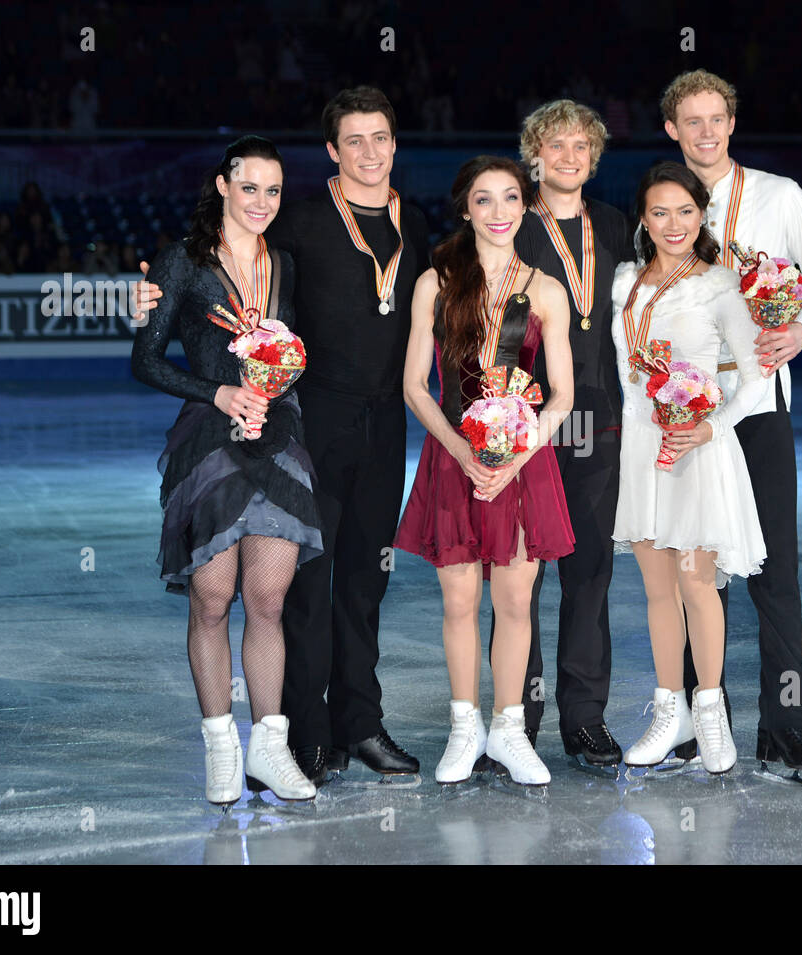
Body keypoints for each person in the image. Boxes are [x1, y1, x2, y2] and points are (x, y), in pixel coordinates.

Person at [133, 87, 430, 786]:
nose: (367, 152)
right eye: (351, 140)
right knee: (288, 589)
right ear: (331, 151)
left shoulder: (410, 223)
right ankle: (305, 734)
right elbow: (205, 266)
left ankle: (358, 723)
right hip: (301, 421)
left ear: (394, 143)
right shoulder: (296, 221)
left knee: (359, 582)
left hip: (376, 423)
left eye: (378, 138)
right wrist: (143, 290)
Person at [661, 69, 802, 782]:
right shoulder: (665, 206)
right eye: (692, 121)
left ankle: (787, 729)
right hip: (687, 409)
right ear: (672, 130)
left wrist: (800, 329)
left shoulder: (778, 195)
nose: (706, 132)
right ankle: (693, 723)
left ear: (731, 124)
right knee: (693, 571)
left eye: (717, 119)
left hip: (759, 404)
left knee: (775, 573)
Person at [130, 135, 323, 804]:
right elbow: (145, 359)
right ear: (222, 186)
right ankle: (220, 743)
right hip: (209, 437)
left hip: (275, 434)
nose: (261, 201)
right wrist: (217, 393)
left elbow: (290, 351)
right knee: (213, 598)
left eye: (272, 189)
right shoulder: (183, 262)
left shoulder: (286, 264)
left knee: (268, 598)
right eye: (248, 187)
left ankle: (270, 747)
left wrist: (271, 397)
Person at [394, 156, 575, 786]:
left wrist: (515, 456)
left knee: (515, 599)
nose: (498, 213)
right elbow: (416, 386)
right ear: (465, 208)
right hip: (454, 457)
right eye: (483, 200)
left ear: (525, 205)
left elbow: (562, 397)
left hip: (524, 467)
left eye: (509, 199)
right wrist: (465, 451)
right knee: (460, 599)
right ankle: (464, 728)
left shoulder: (548, 289)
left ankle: (509, 730)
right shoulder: (435, 281)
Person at [612, 161, 767, 774]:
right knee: (656, 591)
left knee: (697, 585)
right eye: (659, 212)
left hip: (697, 449)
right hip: (642, 448)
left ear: (701, 214)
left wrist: (708, 426)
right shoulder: (626, 283)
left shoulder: (719, 286)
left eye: (684, 211)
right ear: (643, 219)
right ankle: (667, 707)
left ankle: (710, 714)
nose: (673, 224)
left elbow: (758, 377)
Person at [498, 99, 633, 766]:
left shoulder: (614, 225)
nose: (570, 156)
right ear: (535, 154)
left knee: (589, 574)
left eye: (582, 146)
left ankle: (585, 718)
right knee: (518, 578)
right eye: (557, 145)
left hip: (600, 419)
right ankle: (513, 717)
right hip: (527, 422)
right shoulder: (512, 225)